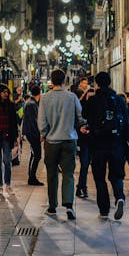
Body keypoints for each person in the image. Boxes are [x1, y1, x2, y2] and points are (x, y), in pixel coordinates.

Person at [82, 71, 129, 220]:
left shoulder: (93, 100)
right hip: (116, 144)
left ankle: (104, 210)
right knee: (116, 176)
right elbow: (126, 122)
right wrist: (128, 142)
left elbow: (84, 114)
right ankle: (119, 197)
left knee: (99, 178)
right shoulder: (119, 100)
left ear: (97, 83)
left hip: (98, 145)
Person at [38, 68, 86, 220]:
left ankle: (52, 206)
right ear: (65, 81)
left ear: (51, 81)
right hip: (69, 139)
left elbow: (42, 121)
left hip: (52, 141)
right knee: (68, 174)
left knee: (51, 174)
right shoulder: (72, 97)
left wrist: (45, 133)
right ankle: (69, 205)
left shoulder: (45, 98)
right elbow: (80, 116)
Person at [21, 84, 44, 186]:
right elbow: (34, 122)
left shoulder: (30, 103)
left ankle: (31, 176)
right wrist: (39, 134)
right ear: (39, 93)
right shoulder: (32, 104)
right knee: (37, 155)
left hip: (30, 132)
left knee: (34, 154)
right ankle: (32, 177)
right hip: (32, 133)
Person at [75, 79, 93, 199]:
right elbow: (75, 121)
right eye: (89, 95)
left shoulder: (96, 107)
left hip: (94, 140)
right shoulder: (80, 107)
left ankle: (81, 187)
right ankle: (82, 187)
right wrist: (80, 128)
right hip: (83, 140)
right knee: (85, 164)